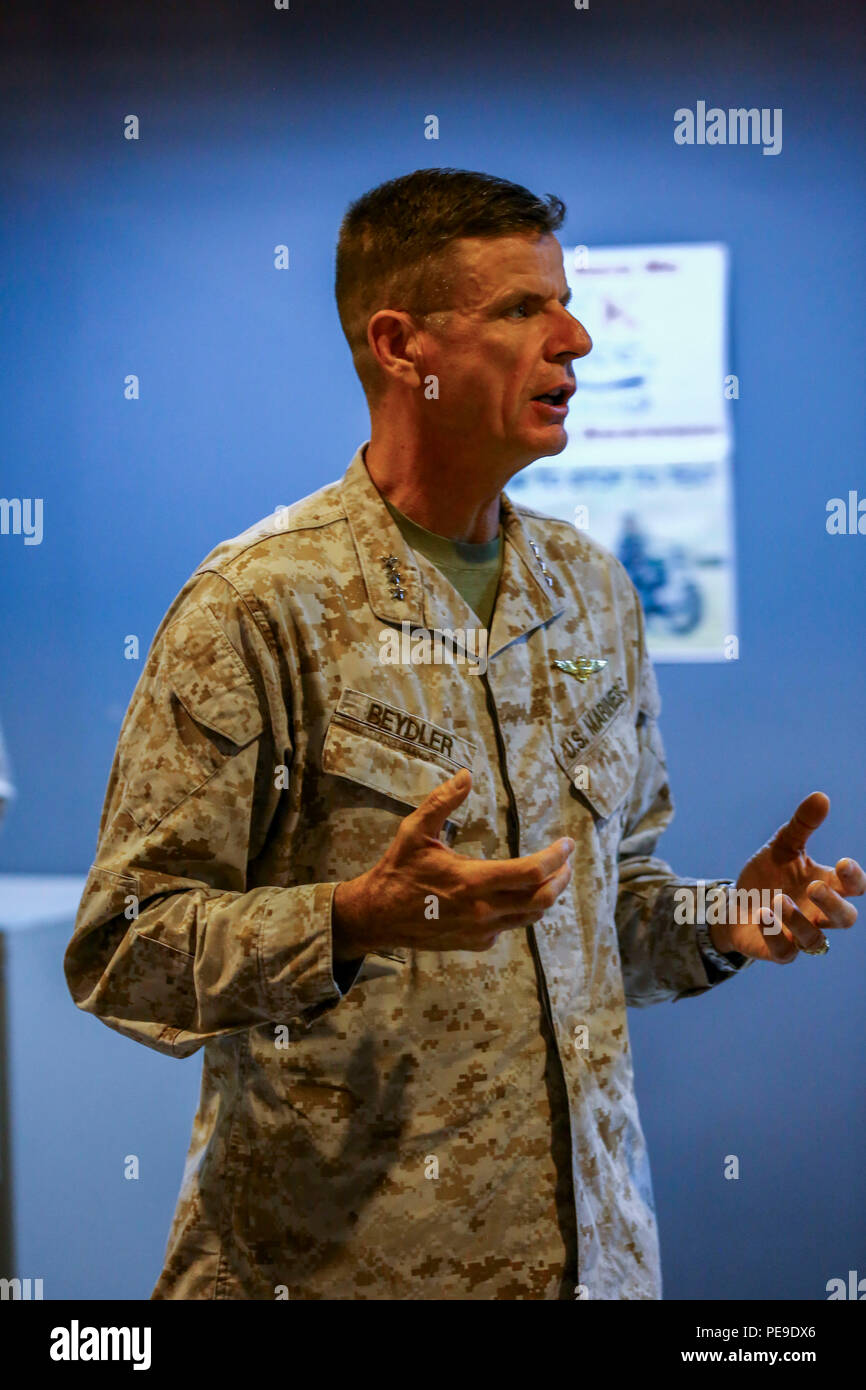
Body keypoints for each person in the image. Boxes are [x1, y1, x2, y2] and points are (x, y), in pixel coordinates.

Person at [64, 168, 863, 1301]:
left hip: (593, 1267)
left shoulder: (589, 590)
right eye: (521, 309)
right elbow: (123, 951)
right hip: (341, 1271)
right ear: (402, 347)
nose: (575, 337)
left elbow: (608, 911)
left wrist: (724, 913)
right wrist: (350, 919)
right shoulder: (258, 605)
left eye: (564, 301)